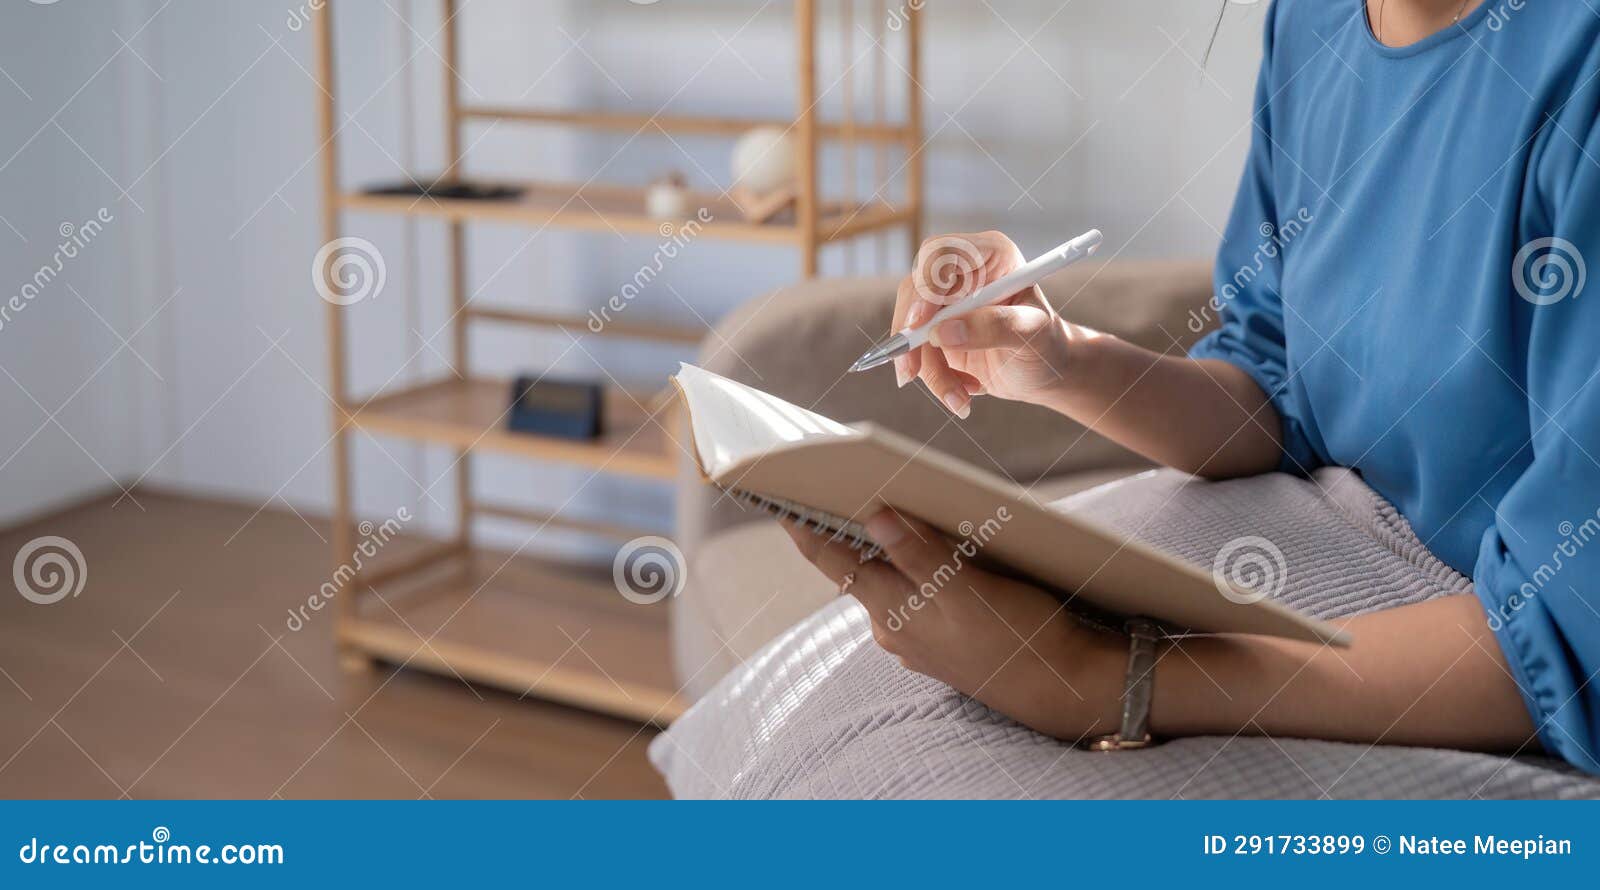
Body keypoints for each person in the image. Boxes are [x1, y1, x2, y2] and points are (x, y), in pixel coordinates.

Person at [781, 0, 1600, 773]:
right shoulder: (1312, 23)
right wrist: (1060, 360)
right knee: (814, 716)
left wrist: (1100, 681)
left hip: (1496, 678)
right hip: (1327, 549)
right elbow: (1272, 391)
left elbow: (1569, 633)